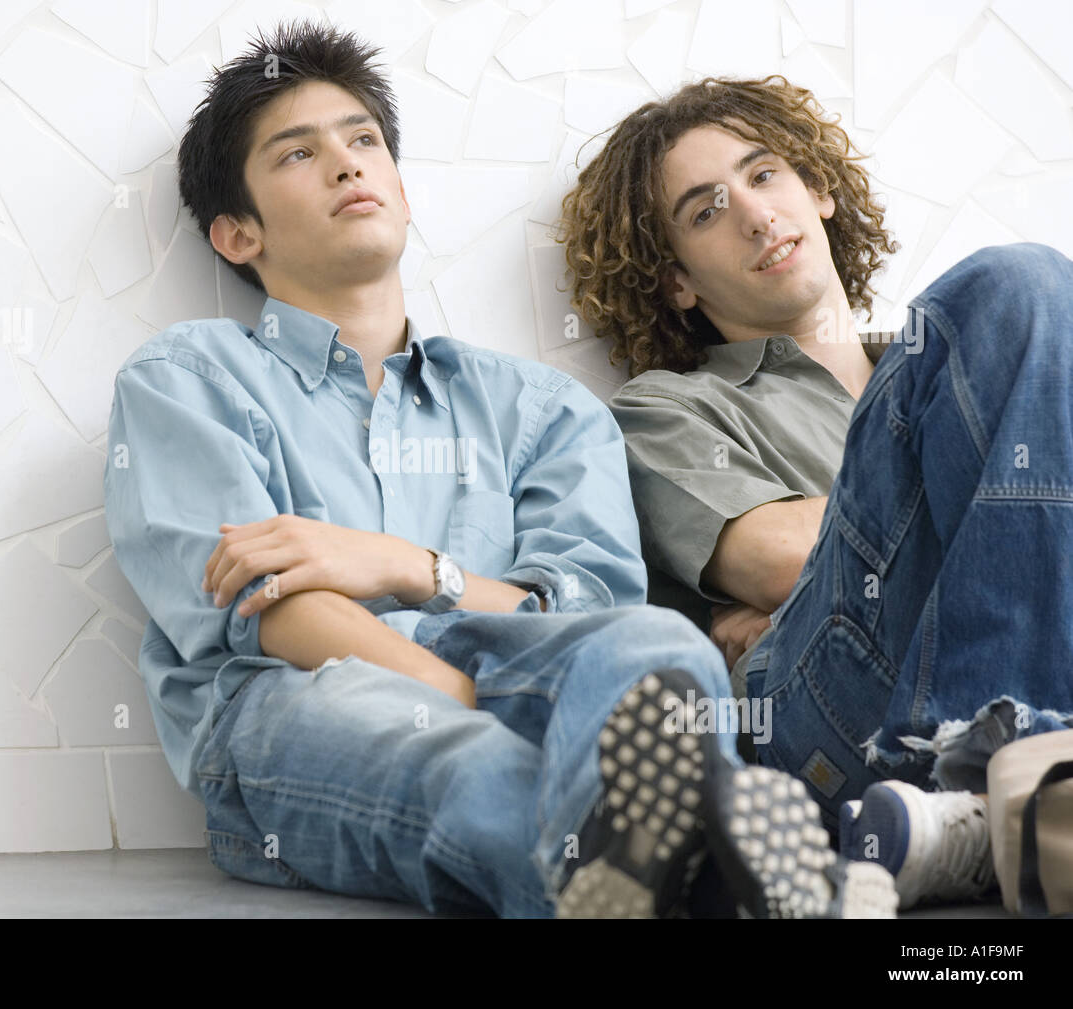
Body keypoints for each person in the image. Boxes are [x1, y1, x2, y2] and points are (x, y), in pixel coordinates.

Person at [102, 24, 896, 919]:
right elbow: (266, 606)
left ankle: (669, 885)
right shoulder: (189, 376)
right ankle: (737, 882)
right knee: (472, 760)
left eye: (364, 140)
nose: (346, 165)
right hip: (294, 705)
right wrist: (458, 688)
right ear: (237, 233)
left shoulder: (541, 409)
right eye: (299, 153)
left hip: (523, 692)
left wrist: (412, 571)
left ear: (401, 184)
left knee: (661, 645)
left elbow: (591, 614)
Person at [558, 74, 1073, 909]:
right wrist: (988, 510)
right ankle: (1006, 763)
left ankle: (989, 811)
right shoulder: (665, 406)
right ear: (678, 282)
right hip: (827, 714)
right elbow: (778, 560)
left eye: (764, 176)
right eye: (704, 211)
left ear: (818, 191)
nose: (755, 215)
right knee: (1021, 281)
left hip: (939, 714)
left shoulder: (959, 371)